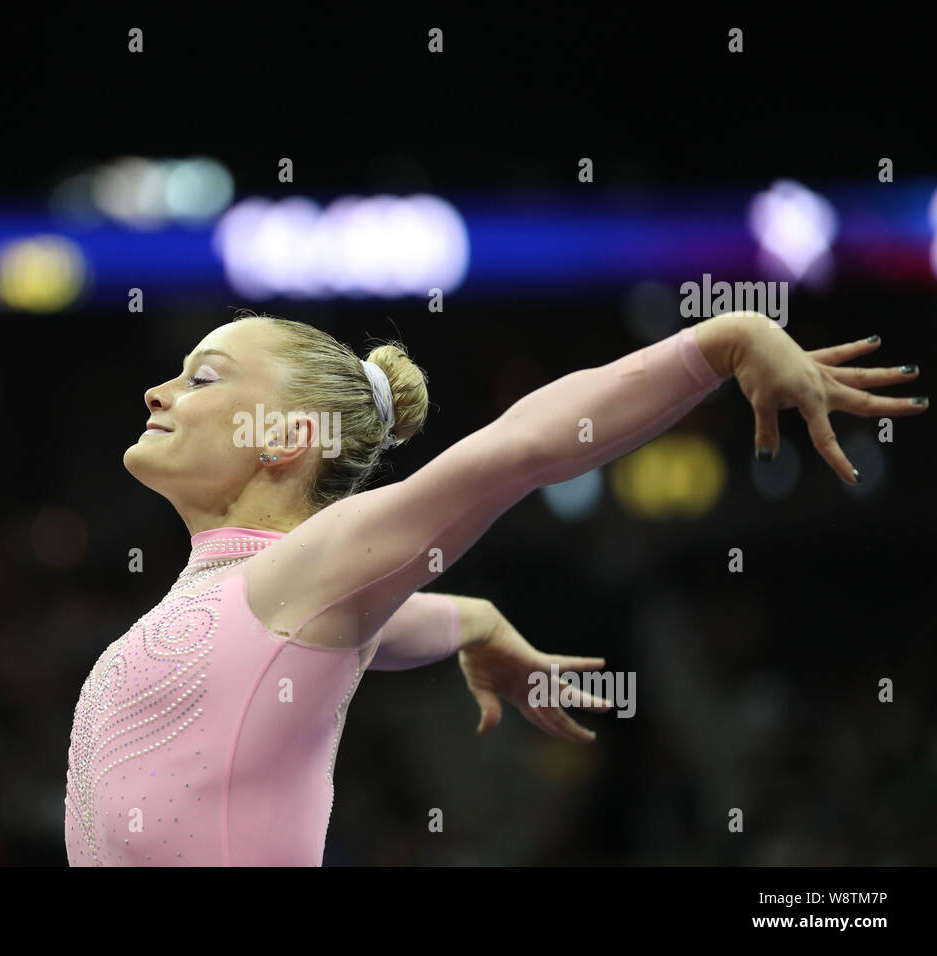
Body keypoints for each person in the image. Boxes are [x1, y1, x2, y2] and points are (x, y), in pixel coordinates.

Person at [64, 309, 926, 865]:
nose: (160, 389)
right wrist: (471, 621)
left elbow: (515, 448)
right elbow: (361, 635)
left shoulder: (303, 571)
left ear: (288, 437)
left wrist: (720, 345)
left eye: (203, 377)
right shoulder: (278, 599)